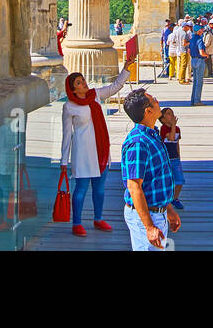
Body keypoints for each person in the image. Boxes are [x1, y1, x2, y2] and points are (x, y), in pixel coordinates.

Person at [59, 58, 133, 236]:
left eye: (83, 80)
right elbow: (67, 135)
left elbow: (115, 87)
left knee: (99, 190)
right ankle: (77, 223)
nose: (83, 83)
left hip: (101, 151)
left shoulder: (96, 95)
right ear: (73, 89)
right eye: (78, 82)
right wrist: (63, 160)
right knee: (81, 190)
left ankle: (98, 219)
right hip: (83, 153)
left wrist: (126, 68)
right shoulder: (69, 107)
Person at [120, 87, 180, 251]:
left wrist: (168, 208)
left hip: (157, 213)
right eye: (154, 100)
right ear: (148, 111)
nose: (158, 101)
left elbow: (154, 180)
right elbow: (134, 186)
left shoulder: (151, 135)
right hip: (147, 217)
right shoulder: (139, 143)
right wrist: (148, 227)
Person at [158, 106, 185, 210]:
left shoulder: (177, 129)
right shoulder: (164, 129)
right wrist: (173, 125)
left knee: (180, 181)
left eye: (172, 113)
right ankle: (166, 199)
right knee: (168, 180)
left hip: (175, 158)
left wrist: (179, 155)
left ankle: (175, 198)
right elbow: (171, 137)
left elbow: (176, 142)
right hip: (166, 159)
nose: (172, 115)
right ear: (163, 119)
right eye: (168, 114)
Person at [187, 21, 207, 106]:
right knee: (199, 81)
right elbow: (201, 52)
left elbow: (188, 51)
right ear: (199, 31)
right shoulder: (199, 39)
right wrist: (207, 55)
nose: (202, 31)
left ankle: (193, 99)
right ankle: (197, 100)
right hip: (199, 60)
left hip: (193, 59)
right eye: (201, 30)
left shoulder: (191, 39)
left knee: (195, 81)